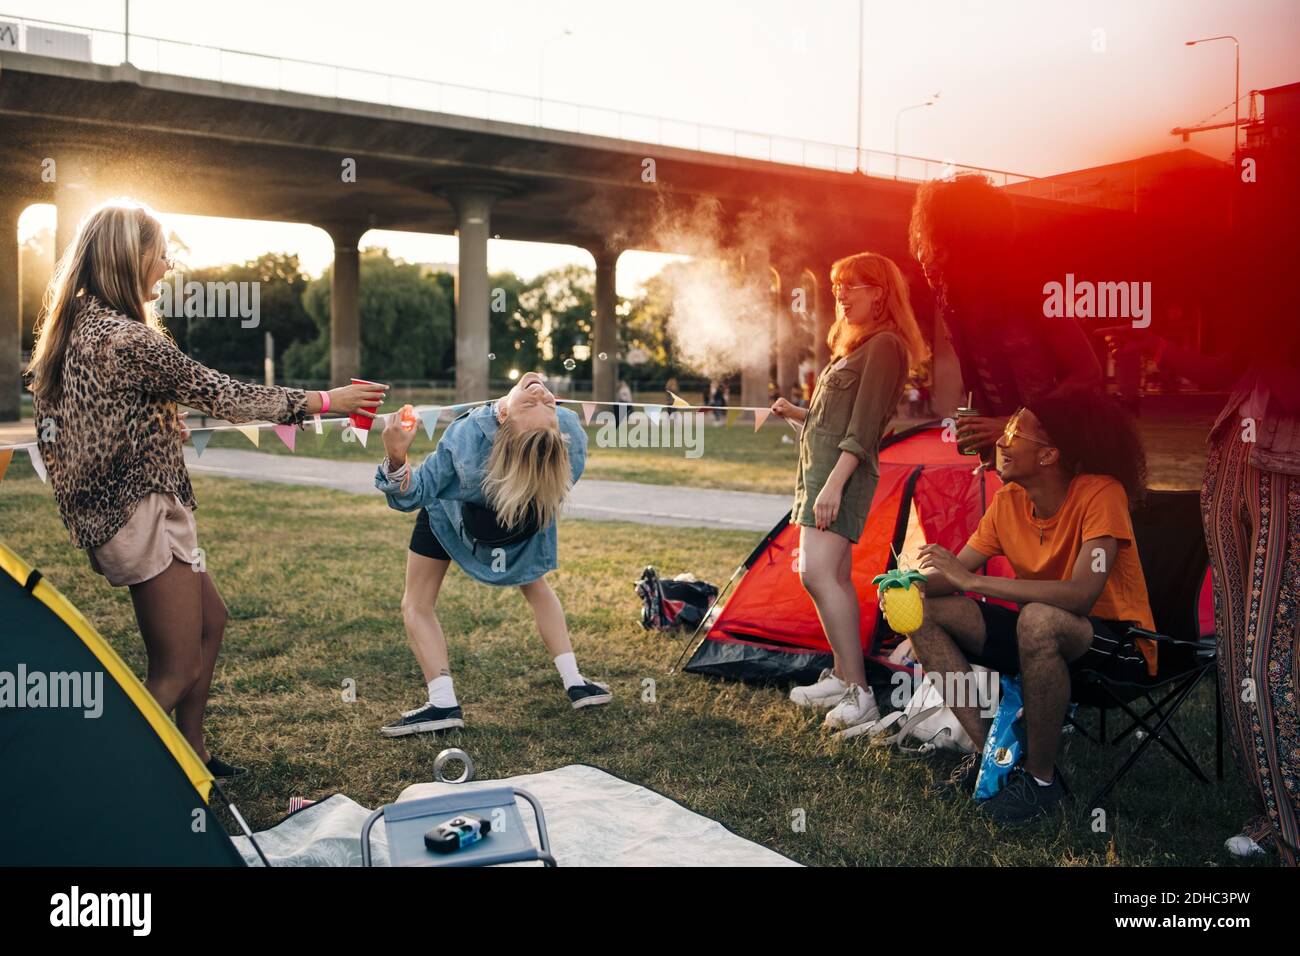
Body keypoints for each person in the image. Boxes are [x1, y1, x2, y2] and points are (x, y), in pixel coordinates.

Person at [27, 200, 386, 778]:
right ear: (128, 257)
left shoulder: (79, 329)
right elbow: (222, 394)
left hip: (132, 510)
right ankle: (101, 777)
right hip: (139, 512)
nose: (166, 264)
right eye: (158, 251)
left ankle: (189, 750)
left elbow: (57, 439)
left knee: (210, 621)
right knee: (177, 668)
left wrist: (89, 511)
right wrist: (325, 402)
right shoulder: (126, 340)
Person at [910, 390, 1153, 824]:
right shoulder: (1009, 503)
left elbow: (1081, 595)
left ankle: (1041, 782)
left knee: (1038, 620)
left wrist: (976, 582)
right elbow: (955, 575)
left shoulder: (1101, 495)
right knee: (921, 608)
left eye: (1012, 432)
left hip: (1118, 648)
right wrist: (904, 585)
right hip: (1038, 638)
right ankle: (994, 756)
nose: (1000, 441)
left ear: (1049, 455)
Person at [374, 371, 609, 735]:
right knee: (537, 587)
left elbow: (415, 493)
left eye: (543, 402)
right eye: (540, 402)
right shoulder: (566, 431)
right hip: (507, 516)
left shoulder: (468, 437)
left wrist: (396, 455)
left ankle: (444, 703)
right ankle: (573, 681)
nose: (542, 394)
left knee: (415, 604)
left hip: (497, 514)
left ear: (502, 417)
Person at [771, 252, 928, 730]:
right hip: (819, 474)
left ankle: (859, 693)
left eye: (852, 285)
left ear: (879, 293)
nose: (839, 293)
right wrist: (797, 413)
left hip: (839, 477)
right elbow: (833, 419)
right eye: (838, 284)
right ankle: (842, 679)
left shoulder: (884, 346)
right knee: (831, 576)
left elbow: (864, 430)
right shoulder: (857, 347)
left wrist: (833, 487)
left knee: (817, 574)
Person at [909, 173, 1103, 462]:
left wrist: (1017, 424)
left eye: (936, 242)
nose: (925, 256)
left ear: (966, 239)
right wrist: (981, 435)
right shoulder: (955, 306)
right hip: (1012, 460)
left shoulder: (1034, 289)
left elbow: (1088, 373)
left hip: (1064, 457)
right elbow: (978, 386)